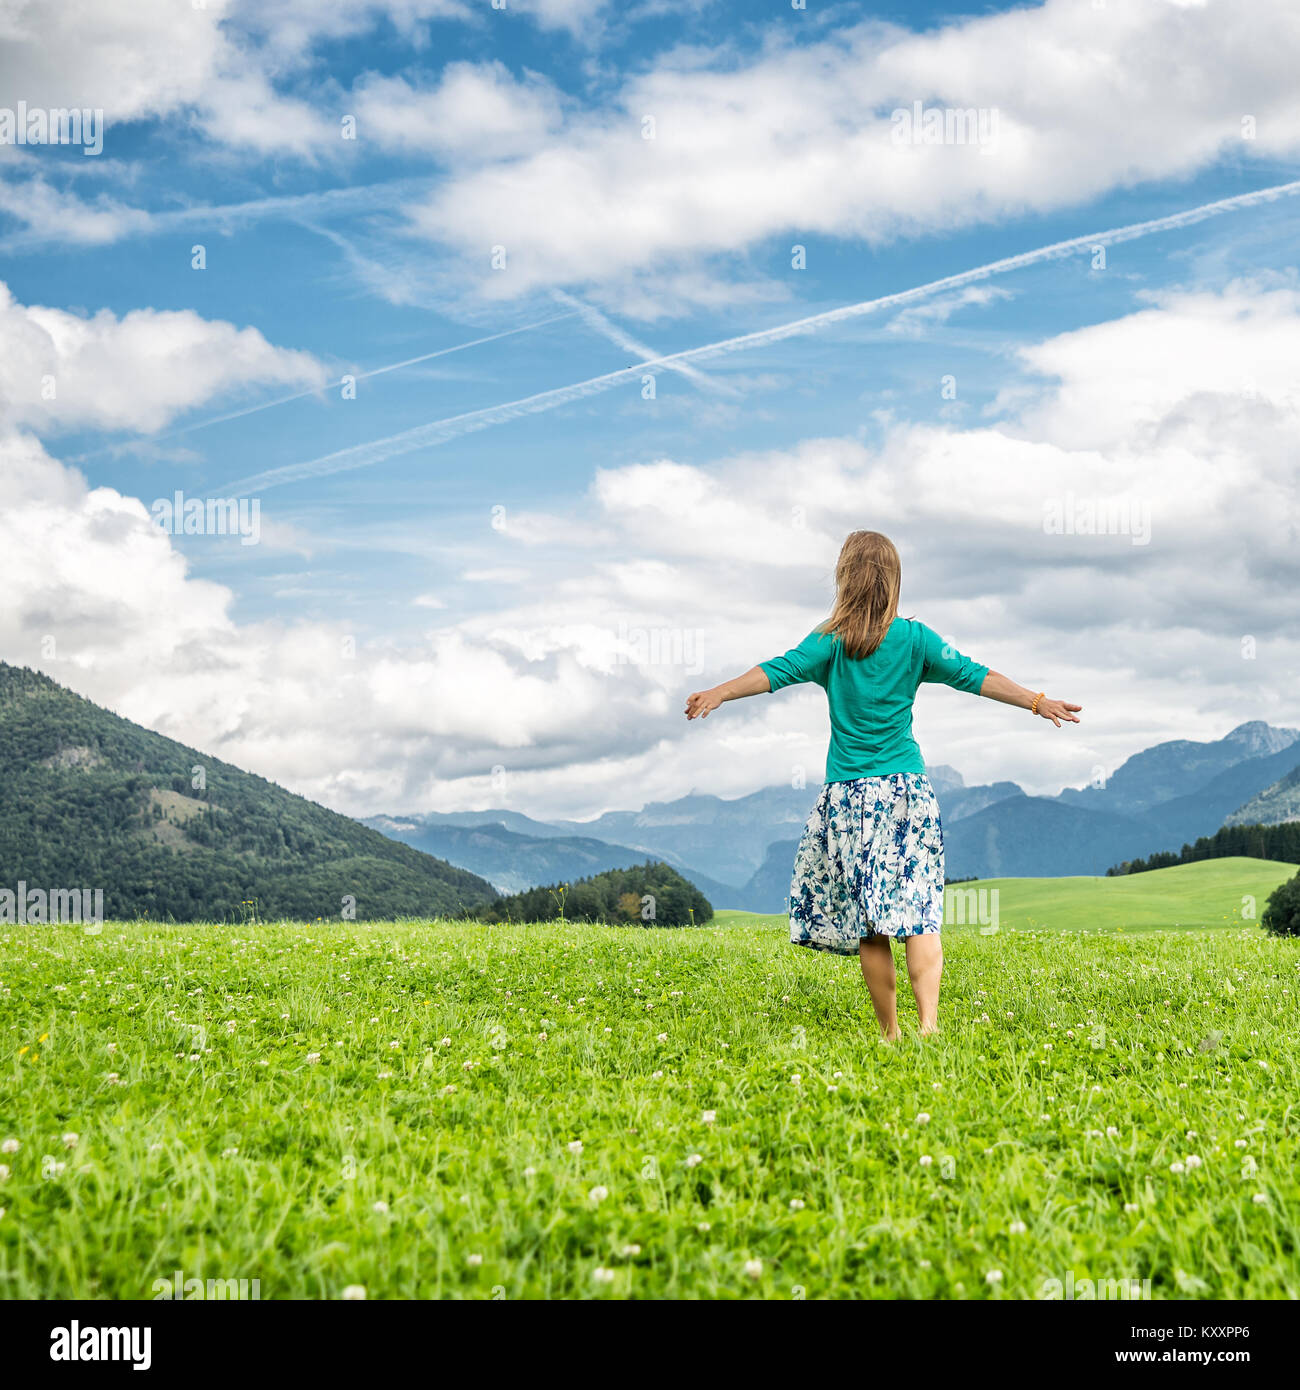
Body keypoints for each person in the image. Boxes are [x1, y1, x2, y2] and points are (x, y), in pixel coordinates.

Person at [684, 530, 1081, 1039]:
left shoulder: (830, 640)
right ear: (893, 579)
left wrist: (720, 692)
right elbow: (973, 674)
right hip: (906, 794)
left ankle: (891, 1032)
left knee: (871, 923)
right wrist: (1036, 700)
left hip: (849, 799)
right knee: (920, 914)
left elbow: (776, 670)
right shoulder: (916, 639)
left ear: (844, 577)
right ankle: (930, 1027)